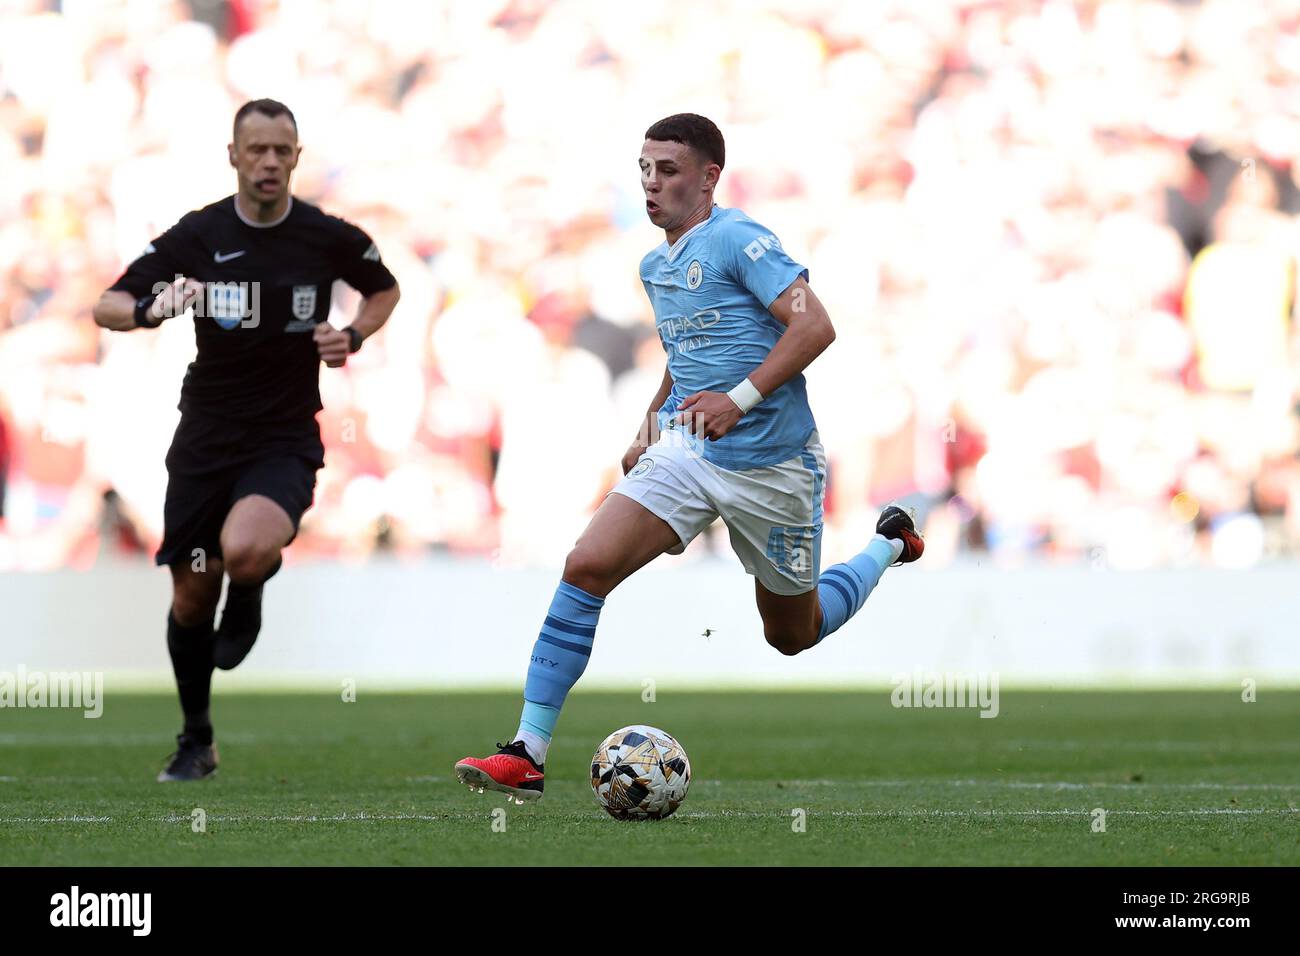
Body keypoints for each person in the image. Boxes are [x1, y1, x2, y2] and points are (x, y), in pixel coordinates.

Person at [455, 113, 922, 803]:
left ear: (708, 178)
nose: (651, 183)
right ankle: (527, 752)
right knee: (587, 564)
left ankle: (888, 545)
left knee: (792, 635)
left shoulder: (739, 238)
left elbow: (815, 324)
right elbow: (685, 357)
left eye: (668, 170)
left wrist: (738, 399)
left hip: (775, 468)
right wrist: (648, 428)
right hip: (691, 451)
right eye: (645, 169)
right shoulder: (654, 265)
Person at [91, 99, 400, 781]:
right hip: (204, 439)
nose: (268, 162)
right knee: (192, 596)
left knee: (246, 548)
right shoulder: (199, 234)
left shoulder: (326, 235)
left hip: (283, 437)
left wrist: (351, 336)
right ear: (233, 155)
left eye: (281, 150)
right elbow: (106, 305)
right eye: (256, 149)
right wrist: (150, 309)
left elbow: (384, 290)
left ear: (297, 157)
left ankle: (253, 581)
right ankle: (196, 739)